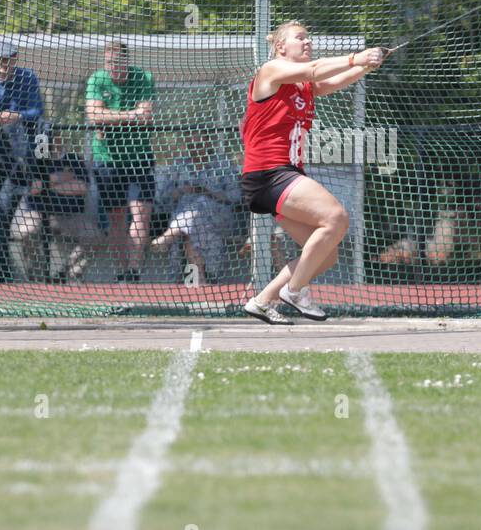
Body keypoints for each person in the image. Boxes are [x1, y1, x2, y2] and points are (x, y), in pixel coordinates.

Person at [240, 21, 385, 324]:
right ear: (281, 47)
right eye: (300, 38)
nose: (307, 42)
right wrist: (356, 58)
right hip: (269, 173)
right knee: (335, 218)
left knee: (325, 253)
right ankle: (294, 291)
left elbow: (327, 82)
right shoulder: (271, 70)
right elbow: (317, 69)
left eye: (309, 38)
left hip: (282, 175)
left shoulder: (302, 86)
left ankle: (263, 300)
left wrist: (365, 67)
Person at [0, 40, 44, 282]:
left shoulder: (28, 78)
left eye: (6, 59)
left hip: (18, 157)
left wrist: (17, 116)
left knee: (3, 213)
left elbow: (37, 111)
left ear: (14, 57)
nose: (1, 64)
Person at [85, 40, 156, 282]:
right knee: (116, 219)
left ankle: (134, 272)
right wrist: (129, 116)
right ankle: (121, 273)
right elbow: (94, 116)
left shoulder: (143, 77)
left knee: (140, 215)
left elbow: (145, 116)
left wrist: (109, 118)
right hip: (107, 160)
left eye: (118, 62)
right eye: (109, 62)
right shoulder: (97, 79)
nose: (113, 67)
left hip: (139, 159)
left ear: (127, 61)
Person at [152, 133, 240, 285]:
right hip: (190, 221)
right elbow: (163, 198)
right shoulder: (179, 165)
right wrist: (181, 191)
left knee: (201, 201)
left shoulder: (222, 164)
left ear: (209, 144)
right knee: (192, 229)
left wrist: (209, 193)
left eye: (199, 146)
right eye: (191, 147)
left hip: (218, 217)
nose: (195, 151)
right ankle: (198, 280)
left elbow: (236, 196)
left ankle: (170, 235)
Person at [10, 141, 98, 283]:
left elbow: (81, 187)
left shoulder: (72, 159)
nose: (51, 142)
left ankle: (68, 273)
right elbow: (34, 188)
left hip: (70, 216)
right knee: (27, 231)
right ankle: (36, 278)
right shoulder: (35, 160)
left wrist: (47, 185)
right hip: (38, 213)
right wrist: (61, 178)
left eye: (53, 136)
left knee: (93, 235)